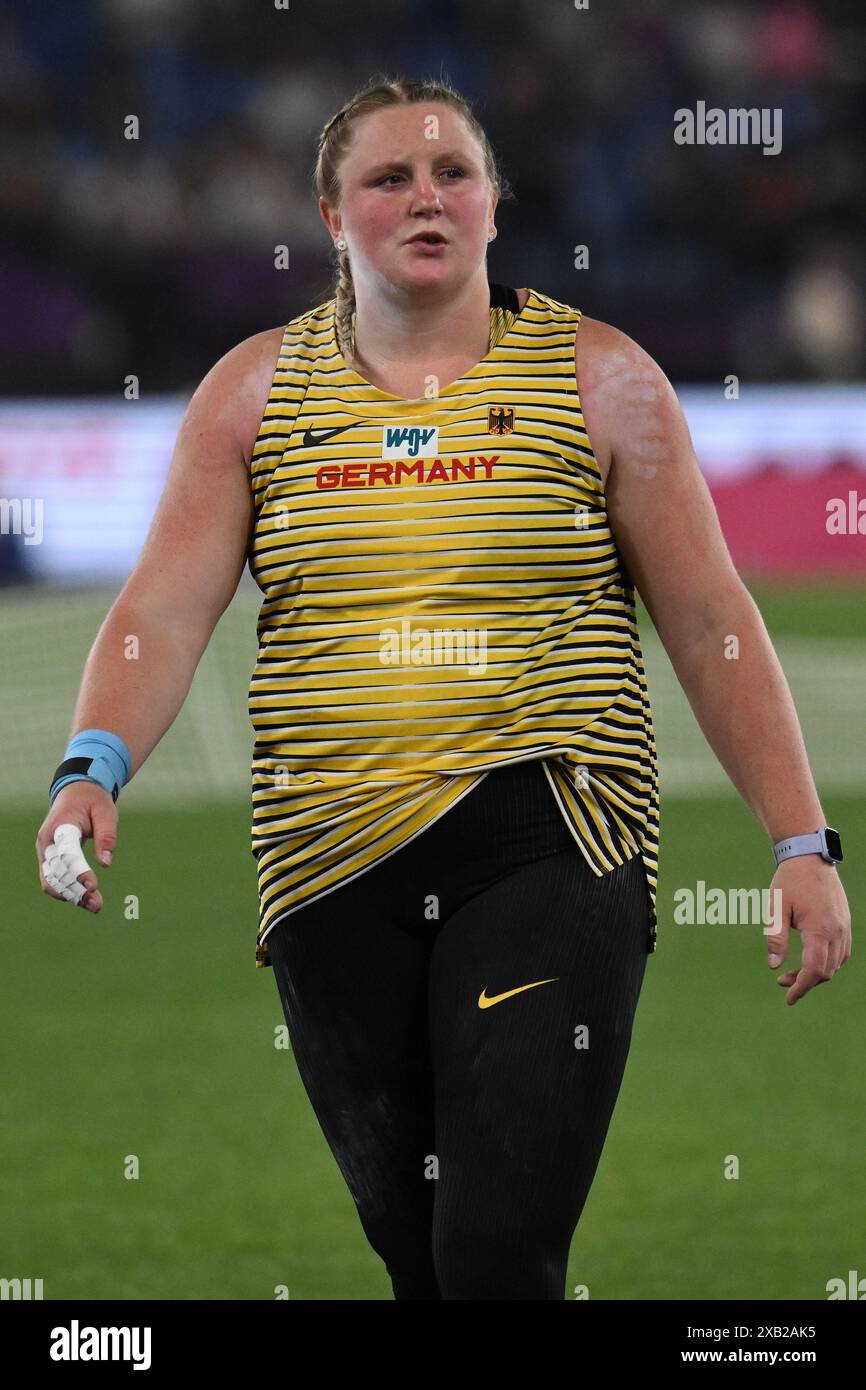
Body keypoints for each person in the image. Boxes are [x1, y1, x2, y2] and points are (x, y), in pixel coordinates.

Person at [36, 75, 851, 1301]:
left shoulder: (603, 379)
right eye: (388, 178)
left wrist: (798, 838)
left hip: (548, 832)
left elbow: (706, 618)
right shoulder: (251, 396)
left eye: (451, 173)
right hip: (322, 858)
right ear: (329, 214)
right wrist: (92, 764)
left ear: (491, 205)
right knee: (418, 1264)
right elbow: (161, 608)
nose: (425, 197)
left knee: (495, 1257)